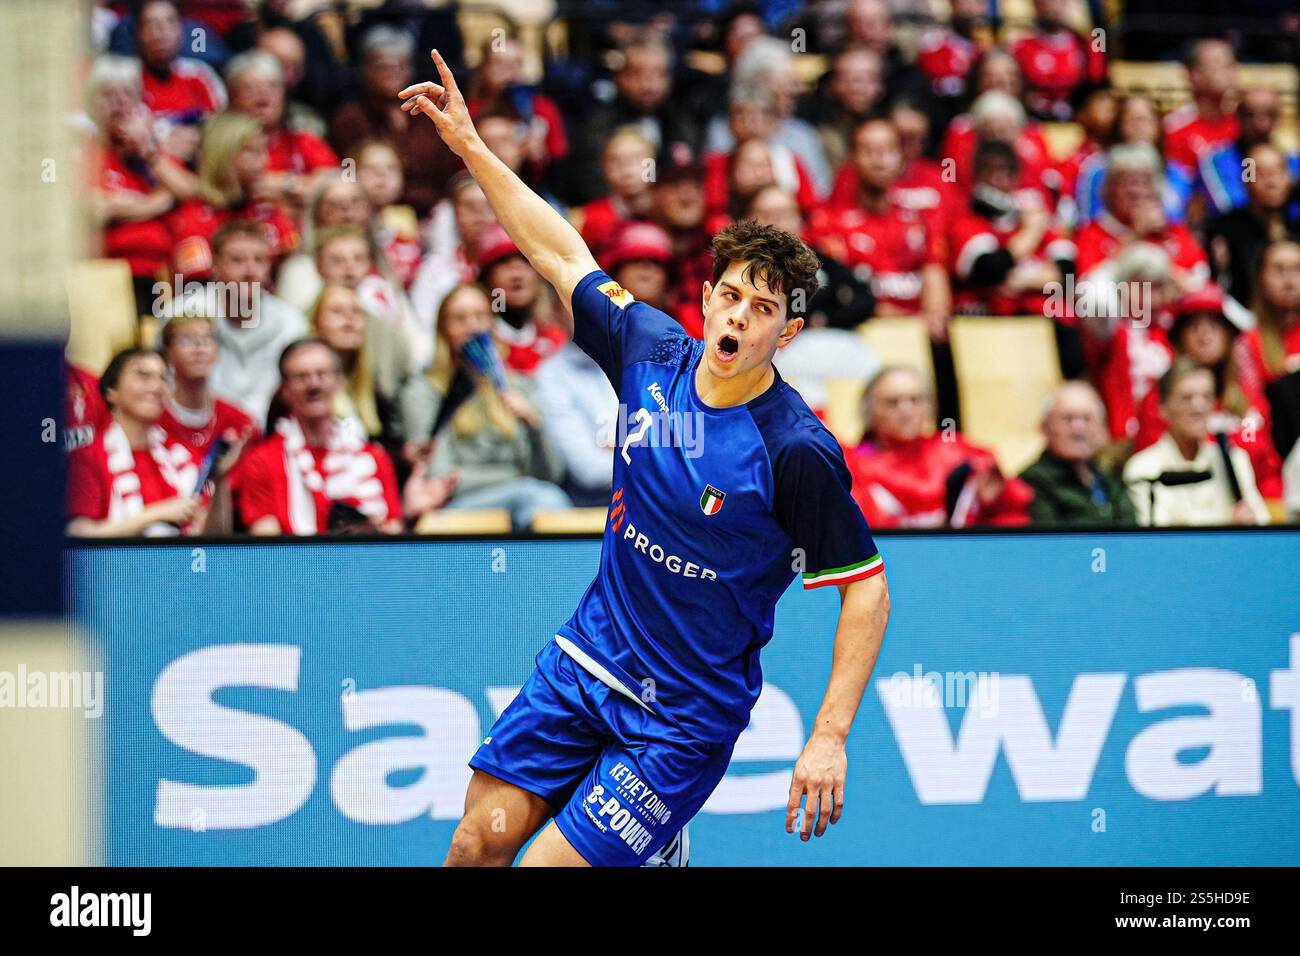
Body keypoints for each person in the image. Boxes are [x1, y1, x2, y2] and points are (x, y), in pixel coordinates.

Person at [400, 51, 889, 866]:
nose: (740, 316)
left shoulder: (795, 451)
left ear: (787, 333)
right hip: (588, 658)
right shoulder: (650, 346)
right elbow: (561, 254)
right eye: (731, 294)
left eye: (764, 308)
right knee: (474, 848)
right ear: (706, 298)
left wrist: (829, 736)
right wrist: (473, 149)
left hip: (682, 718)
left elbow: (866, 592)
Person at [401, 284, 570, 531]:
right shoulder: (424, 392)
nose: (472, 326)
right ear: (443, 330)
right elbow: (441, 477)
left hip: (525, 497)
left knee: (544, 498)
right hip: (456, 506)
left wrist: (533, 425)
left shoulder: (520, 388)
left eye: (480, 316)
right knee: (540, 498)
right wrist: (514, 478)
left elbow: (551, 475)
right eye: (460, 319)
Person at [236, 338, 403, 535]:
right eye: (301, 377)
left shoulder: (374, 457)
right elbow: (265, 546)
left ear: (339, 382)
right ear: (284, 390)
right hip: (297, 564)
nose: (313, 385)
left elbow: (394, 531)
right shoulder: (261, 461)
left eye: (322, 375)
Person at [67, 348, 235, 537]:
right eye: (144, 376)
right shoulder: (88, 458)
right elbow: (78, 535)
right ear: (111, 391)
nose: (157, 387)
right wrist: (158, 514)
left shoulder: (182, 454)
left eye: (163, 378)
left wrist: (220, 479)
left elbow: (217, 537)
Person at [847, 366, 1033, 528]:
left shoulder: (958, 452)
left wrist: (993, 503)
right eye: (892, 402)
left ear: (930, 407)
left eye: (916, 400)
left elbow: (1015, 511)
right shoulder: (852, 468)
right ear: (869, 411)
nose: (906, 410)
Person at [1123, 358, 1268, 526]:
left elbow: (1263, 527)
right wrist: (1228, 528)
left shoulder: (1235, 460)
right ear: (1162, 407)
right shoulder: (1143, 469)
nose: (1198, 407)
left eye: (1206, 397)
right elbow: (1156, 540)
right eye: (1186, 398)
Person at [204, 221, 310, 427]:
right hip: (202, 436)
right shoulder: (183, 316)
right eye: (237, 260)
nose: (250, 271)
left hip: (271, 432)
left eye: (259, 260)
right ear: (215, 266)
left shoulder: (292, 324)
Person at [1020, 381, 1137, 526]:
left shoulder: (1110, 477)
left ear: (1101, 429)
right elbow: (1048, 542)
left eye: (1087, 419)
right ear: (1045, 427)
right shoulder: (1031, 482)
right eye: (1068, 419)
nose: (1078, 429)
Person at [158, 313, 259, 462]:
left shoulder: (239, 422)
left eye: (207, 340)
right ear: (168, 353)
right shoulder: (154, 420)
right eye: (186, 340)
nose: (199, 349)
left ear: (217, 351)